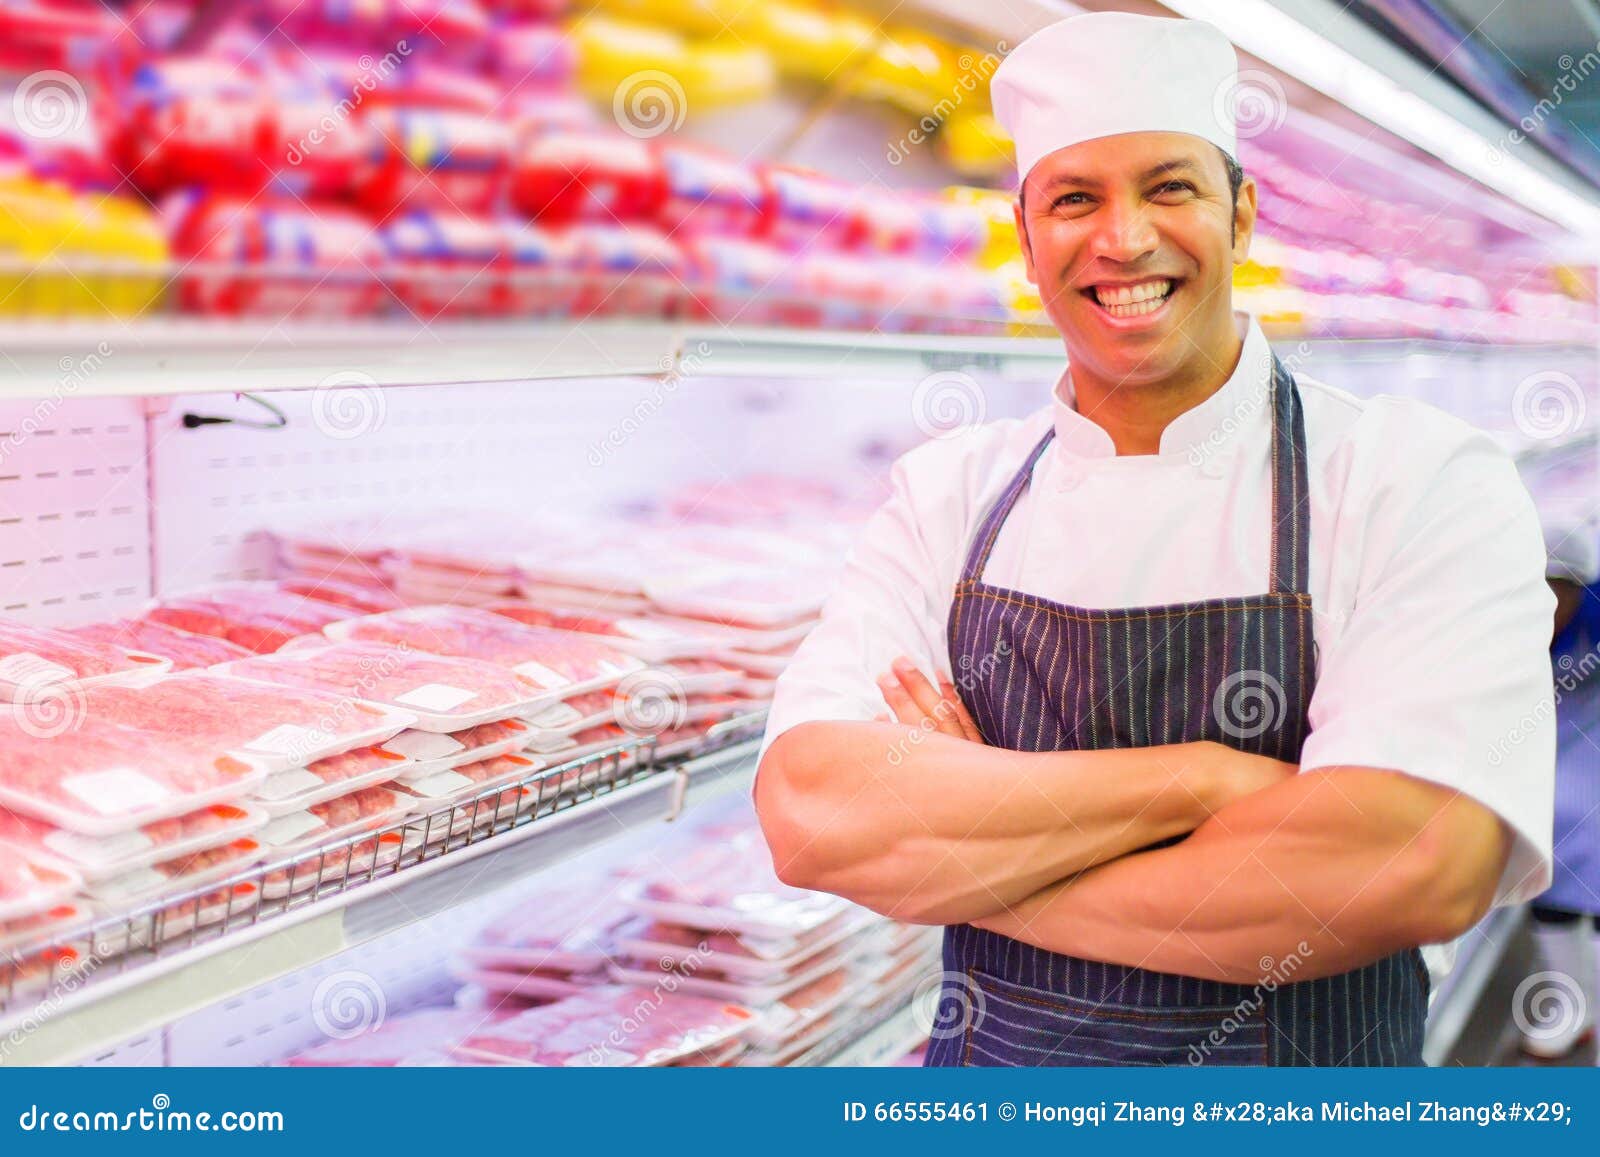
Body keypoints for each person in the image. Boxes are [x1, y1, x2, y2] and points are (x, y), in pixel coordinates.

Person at [753, 12, 1557, 1067]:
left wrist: (971, 856)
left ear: (1243, 214)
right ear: (1027, 232)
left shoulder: (1419, 479)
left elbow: (1415, 860)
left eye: (1168, 187)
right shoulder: (946, 493)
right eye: (1072, 198)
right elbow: (815, 814)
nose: (1122, 239)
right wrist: (1208, 780)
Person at [1520, 513, 1599, 1059]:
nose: (1546, 607)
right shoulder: (1514, 629)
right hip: (1544, 790)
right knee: (1547, 900)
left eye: (1555, 592)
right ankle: (1572, 1012)